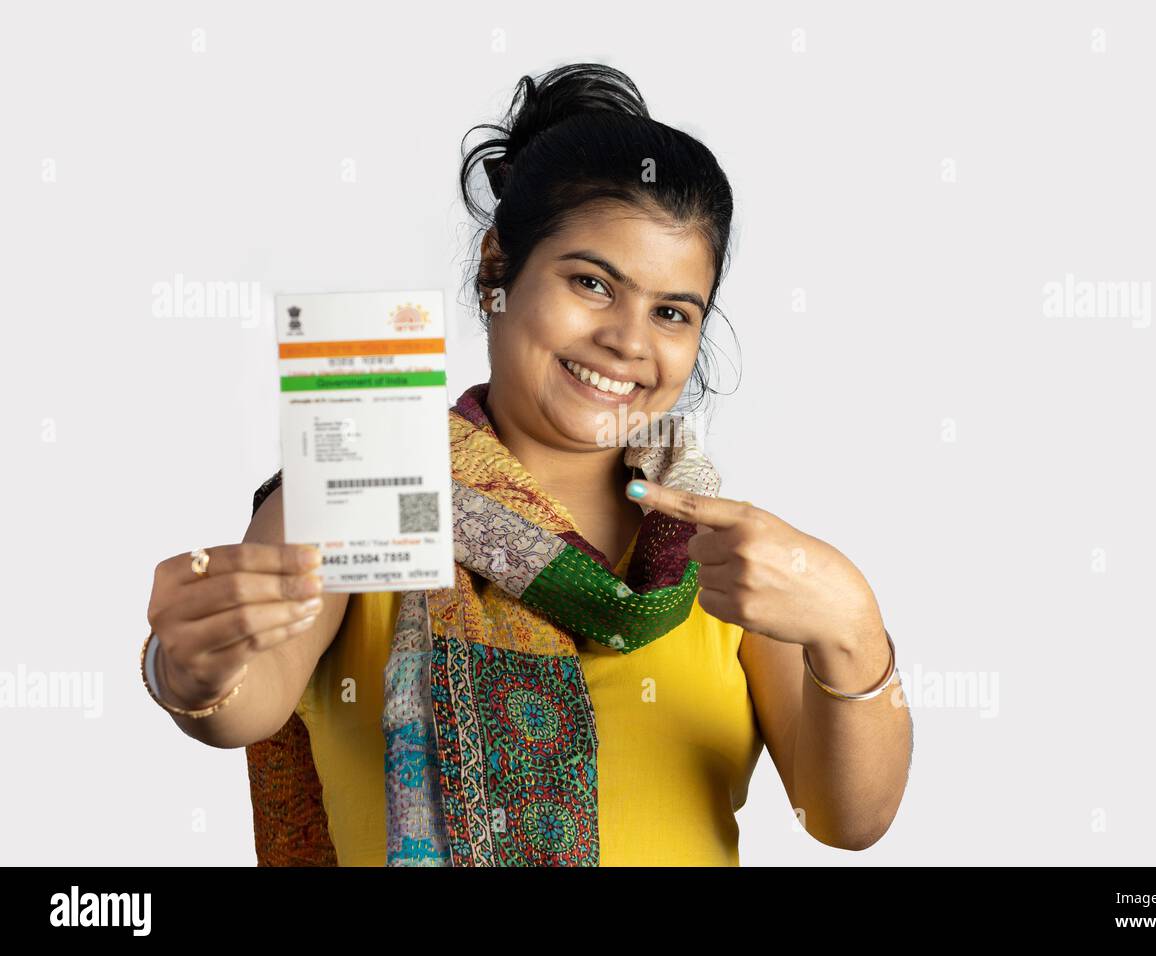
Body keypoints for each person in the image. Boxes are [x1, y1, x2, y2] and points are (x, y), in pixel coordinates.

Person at [141, 62, 913, 866]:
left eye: (672, 312)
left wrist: (851, 626)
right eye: (590, 282)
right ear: (495, 269)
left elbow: (846, 818)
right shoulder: (366, 491)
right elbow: (246, 702)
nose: (629, 340)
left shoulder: (722, 557)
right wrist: (192, 670)